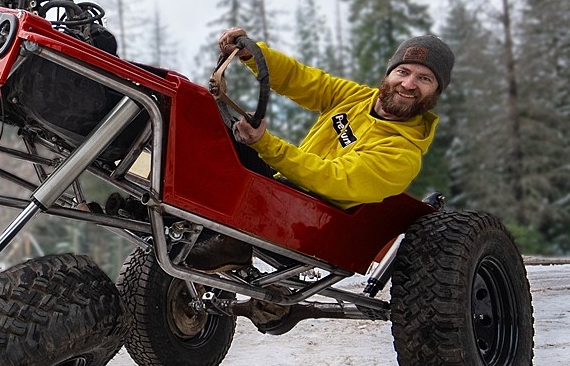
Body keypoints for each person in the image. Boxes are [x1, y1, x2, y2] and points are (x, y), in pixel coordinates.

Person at [186, 27, 454, 272]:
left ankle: (227, 242)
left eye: (424, 78)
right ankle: (182, 223)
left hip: (310, 230)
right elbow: (300, 79)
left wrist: (263, 143)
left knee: (238, 158)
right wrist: (252, 55)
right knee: (215, 128)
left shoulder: (403, 154)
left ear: (435, 92)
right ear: (389, 74)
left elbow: (333, 178)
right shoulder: (357, 98)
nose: (408, 84)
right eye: (403, 72)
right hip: (283, 197)